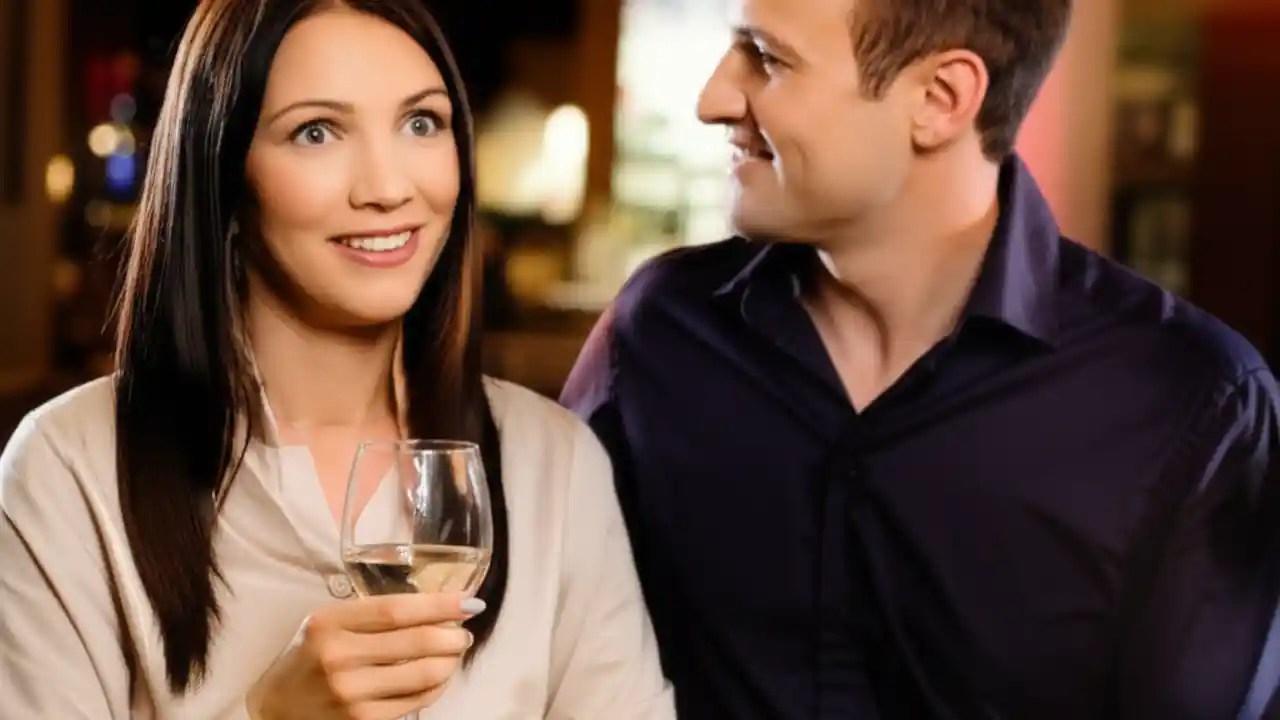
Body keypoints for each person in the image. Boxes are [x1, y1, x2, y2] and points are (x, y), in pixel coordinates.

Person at [561, 0, 1280, 717]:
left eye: (769, 59)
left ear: (940, 100)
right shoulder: (660, 333)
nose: (712, 100)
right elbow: (542, 637)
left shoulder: (1193, 402)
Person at [0, 1, 673, 718]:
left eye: (422, 123)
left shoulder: (555, 464)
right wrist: (273, 714)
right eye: (316, 132)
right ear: (221, 170)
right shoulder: (70, 468)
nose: (386, 188)